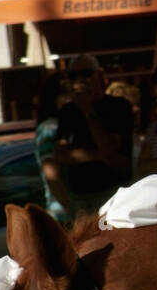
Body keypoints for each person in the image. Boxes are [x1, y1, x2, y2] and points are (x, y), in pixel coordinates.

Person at [53, 54, 134, 217]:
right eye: (74, 75)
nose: (80, 80)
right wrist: (99, 155)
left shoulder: (119, 106)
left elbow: (109, 147)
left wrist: (87, 110)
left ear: (100, 75)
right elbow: (61, 154)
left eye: (87, 73)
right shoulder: (67, 111)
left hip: (113, 192)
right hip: (79, 196)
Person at [33, 72, 72, 223]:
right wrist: (74, 212)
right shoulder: (50, 129)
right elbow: (52, 176)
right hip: (65, 216)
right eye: (68, 93)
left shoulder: (61, 126)